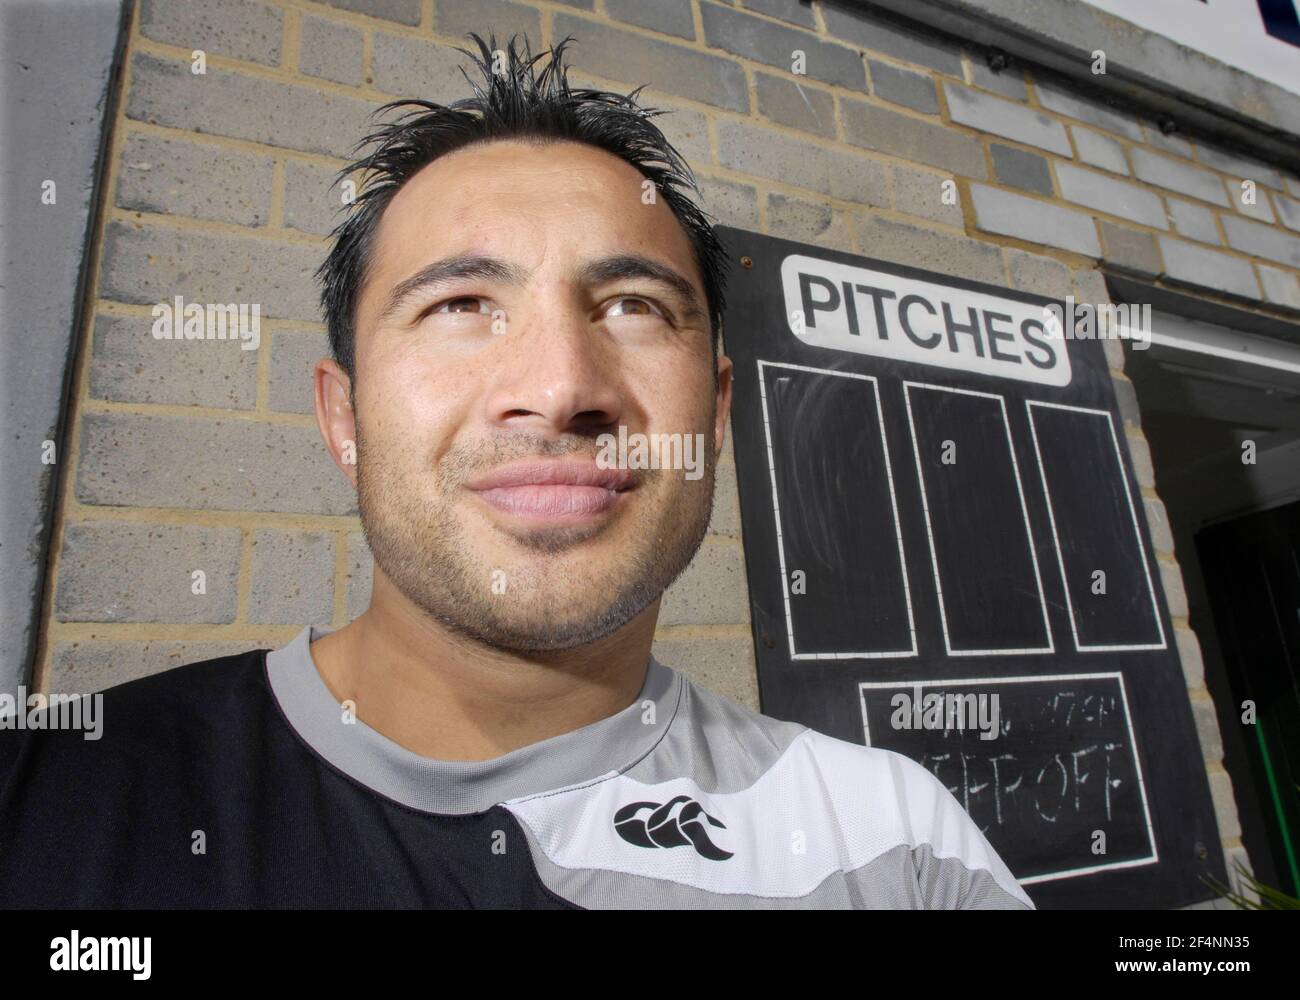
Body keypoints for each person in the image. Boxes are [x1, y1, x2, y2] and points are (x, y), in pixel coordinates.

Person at [0, 32, 1032, 910]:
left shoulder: (895, 850)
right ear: (343, 415)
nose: (557, 384)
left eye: (633, 304)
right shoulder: (45, 801)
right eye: (459, 305)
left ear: (715, 413)